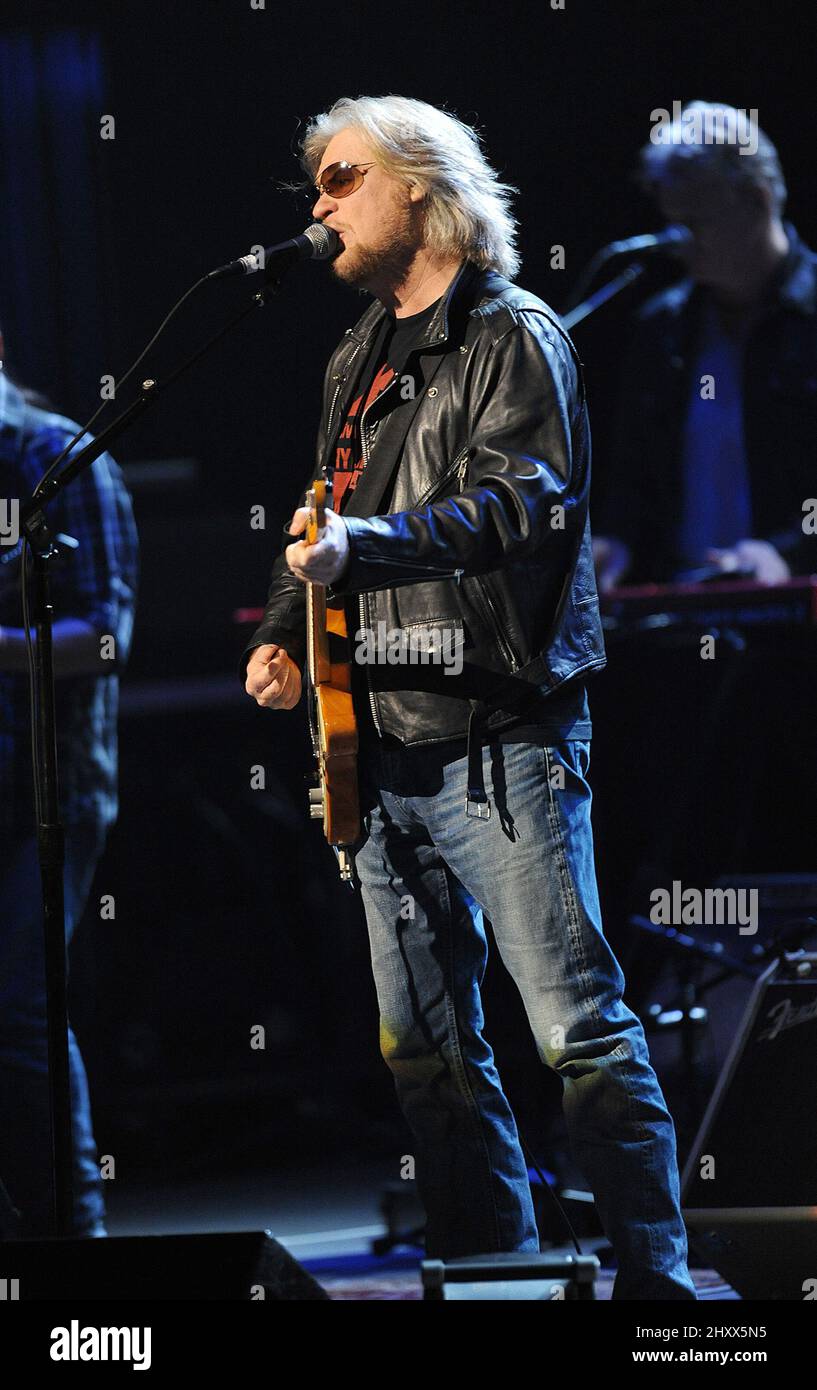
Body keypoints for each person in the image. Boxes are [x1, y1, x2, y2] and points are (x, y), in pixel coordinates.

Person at [241, 95, 696, 1299]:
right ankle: (490, 1277)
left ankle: (659, 1295)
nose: (321, 205)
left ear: (421, 183)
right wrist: (291, 632)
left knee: (576, 1032)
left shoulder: (513, 332)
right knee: (424, 1053)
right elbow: (323, 506)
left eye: (342, 179)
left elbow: (515, 506)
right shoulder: (356, 353)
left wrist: (361, 552)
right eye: (316, 186)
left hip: (499, 736)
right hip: (375, 744)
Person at [0, 342, 139, 1238]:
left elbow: (104, 642)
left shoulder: (59, 457)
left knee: (18, 1007)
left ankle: (73, 1240)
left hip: (44, 785)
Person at [594, 101, 817, 591]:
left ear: (758, 200)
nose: (678, 242)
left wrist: (789, 555)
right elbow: (633, 482)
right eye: (671, 222)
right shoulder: (662, 328)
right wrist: (616, 544)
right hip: (682, 619)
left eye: (695, 222)